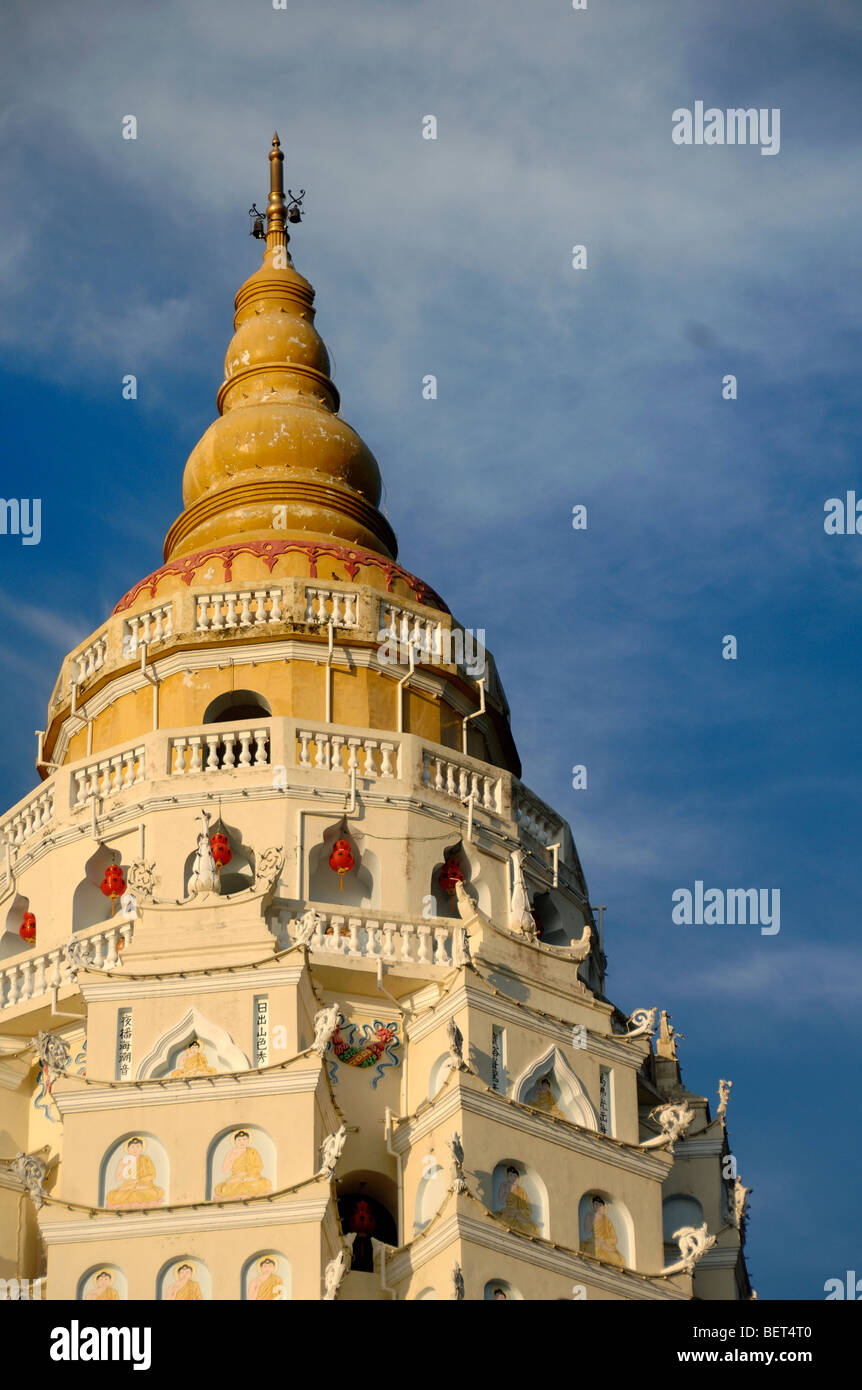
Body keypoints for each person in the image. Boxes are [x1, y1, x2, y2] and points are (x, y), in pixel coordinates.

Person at [104, 1137, 164, 1208]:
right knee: (111, 1195)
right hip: (128, 1186)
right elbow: (118, 1178)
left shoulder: (146, 1159)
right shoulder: (124, 1161)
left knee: (152, 1193)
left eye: (138, 1146)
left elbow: (152, 1175)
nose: (135, 1149)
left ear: (142, 1149)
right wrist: (124, 1166)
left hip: (144, 1185)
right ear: (128, 1149)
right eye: (132, 1147)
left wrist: (139, 1180)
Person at [213, 1131, 271, 1198]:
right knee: (225, 1189)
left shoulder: (252, 1151)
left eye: (244, 1139)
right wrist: (232, 1159)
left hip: (251, 1177)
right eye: (239, 1140)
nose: (242, 1142)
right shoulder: (231, 1153)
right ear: (235, 1142)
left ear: (248, 1141)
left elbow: (259, 1166)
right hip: (236, 1178)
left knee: (262, 1184)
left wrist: (249, 1175)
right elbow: (225, 1170)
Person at [581, 1195, 624, 1267]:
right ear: (593, 1205)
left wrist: (604, 1241)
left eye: (600, 1205)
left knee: (617, 1259)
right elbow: (586, 1231)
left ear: (603, 1207)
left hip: (605, 1244)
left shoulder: (607, 1220)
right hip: (594, 1242)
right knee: (591, 1253)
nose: (598, 1207)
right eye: (596, 1204)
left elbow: (614, 1239)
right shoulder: (590, 1216)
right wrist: (592, 1218)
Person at [496, 1166, 539, 1237]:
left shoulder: (521, 1190)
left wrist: (519, 1212)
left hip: (519, 1213)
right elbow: (501, 1201)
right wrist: (507, 1192)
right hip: (509, 1211)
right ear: (507, 1176)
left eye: (514, 1176)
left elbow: (527, 1207)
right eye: (510, 1175)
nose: (512, 1177)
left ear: (518, 1178)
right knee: (503, 1222)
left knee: (529, 1227)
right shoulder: (504, 1185)